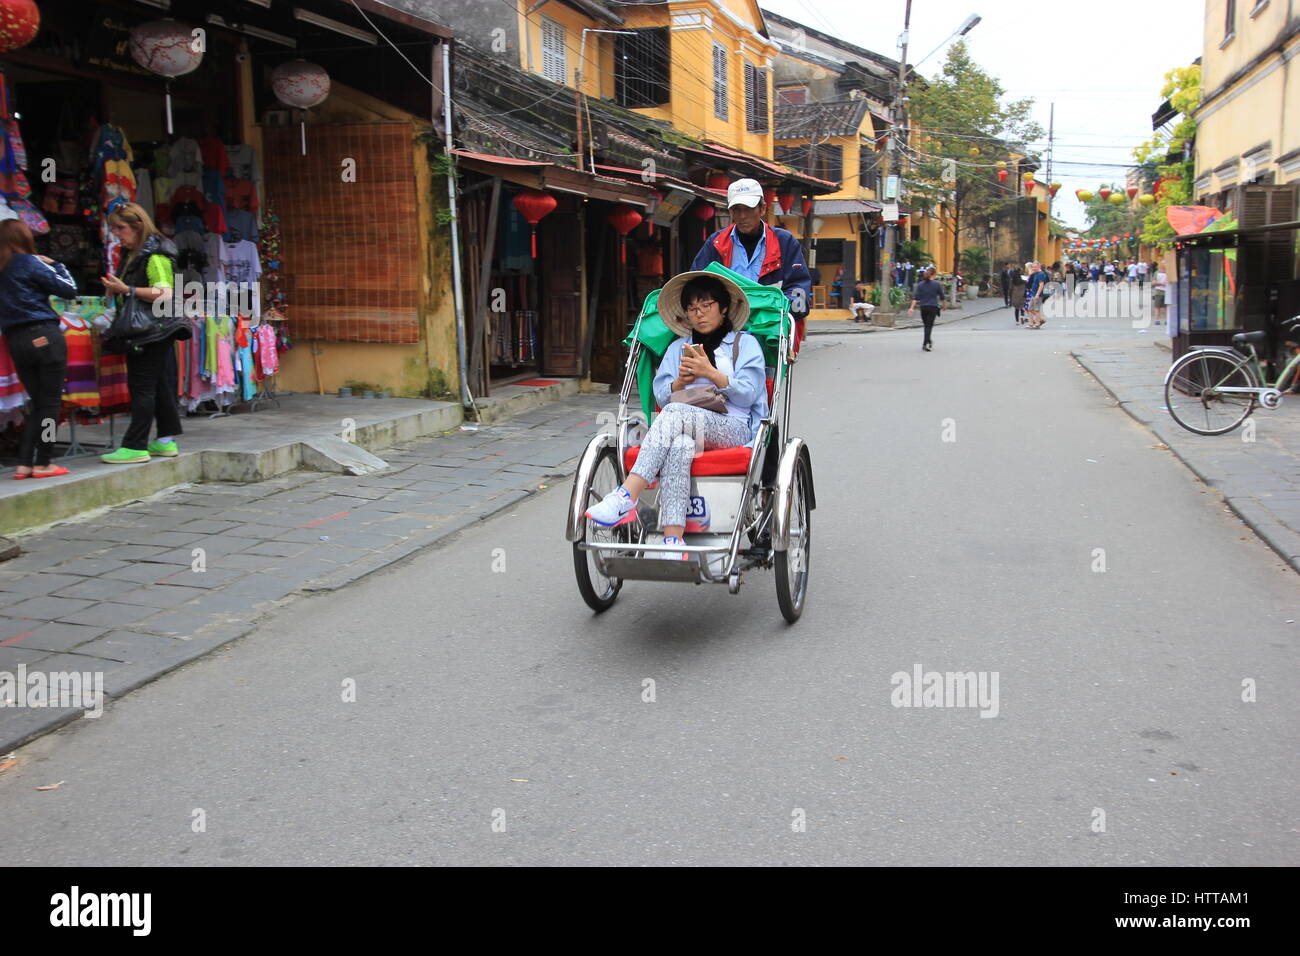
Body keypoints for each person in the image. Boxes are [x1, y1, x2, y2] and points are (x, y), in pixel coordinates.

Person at [583, 271, 768, 559]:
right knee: (680, 444)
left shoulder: (744, 345)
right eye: (693, 308)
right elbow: (661, 394)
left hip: (734, 428)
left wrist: (711, 374)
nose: (700, 314)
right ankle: (672, 541)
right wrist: (680, 383)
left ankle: (626, 495)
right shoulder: (676, 348)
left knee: (675, 413)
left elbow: (750, 393)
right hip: (686, 427)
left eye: (707, 305)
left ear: (723, 308)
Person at [98, 201, 190, 464]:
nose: (116, 234)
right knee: (158, 384)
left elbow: (165, 294)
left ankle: (135, 445)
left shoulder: (155, 254)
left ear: (137, 226)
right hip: (153, 329)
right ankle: (164, 440)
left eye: (120, 228)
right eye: (113, 229)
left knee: (142, 387)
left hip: (151, 330)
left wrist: (126, 290)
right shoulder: (140, 252)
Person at [691, 178, 811, 352]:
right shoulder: (716, 243)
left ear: (762, 209)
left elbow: (799, 288)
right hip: (724, 327)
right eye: (736, 210)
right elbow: (695, 283)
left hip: (767, 326)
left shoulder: (785, 242)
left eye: (748, 209)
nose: (742, 216)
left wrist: (780, 314)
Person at [0, 220, 76, 479]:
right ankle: (43, 462)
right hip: (43, 334)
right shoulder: (29, 262)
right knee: (51, 404)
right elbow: (69, 289)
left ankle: (24, 464)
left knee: (37, 403)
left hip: (15, 340)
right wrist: (56, 264)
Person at [907, 266, 944, 351]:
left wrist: (911, 308)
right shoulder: (937, 284)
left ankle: (928, 340)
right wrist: (944, 305)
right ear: (934, 274)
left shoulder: (920, 284)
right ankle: (925, 344)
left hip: (923, 307)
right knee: (929, 326)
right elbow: (942, 296)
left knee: (926, 326)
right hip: (933, 307)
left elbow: (916, 298)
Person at [1024, 261, 1048, 328]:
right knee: (1030, 308)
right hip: (1033, 293)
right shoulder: (1036, 273)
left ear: (1039, 267)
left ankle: (1038, 323)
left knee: (1036, 310)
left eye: (1035, 267)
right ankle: (1035, 322)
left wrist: (1038, 294)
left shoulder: (1041, 274)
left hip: (1037, 294)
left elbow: (1041, 285)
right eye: (1033, 267)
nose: (1033, 268)